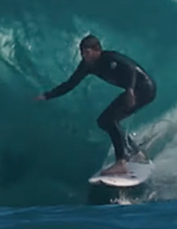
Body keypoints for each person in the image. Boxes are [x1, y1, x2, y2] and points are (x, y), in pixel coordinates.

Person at [36, 34, 156, 175]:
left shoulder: (110, 58)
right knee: (105, 121)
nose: (84, 56)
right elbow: (70, 83)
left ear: (97, 50)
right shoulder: (87, 66)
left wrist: (130, 90)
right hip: (136, 90)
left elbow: (131, 69)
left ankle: (121, 162)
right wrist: (47, 95)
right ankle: (135, 152)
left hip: (144, 89)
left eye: (87, 52)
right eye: (82, 53)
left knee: (109, 120)